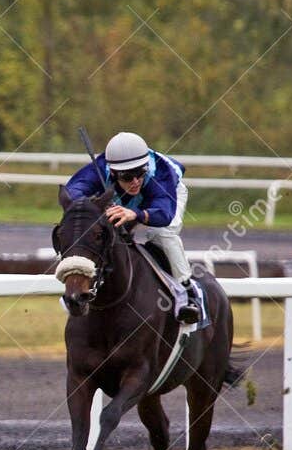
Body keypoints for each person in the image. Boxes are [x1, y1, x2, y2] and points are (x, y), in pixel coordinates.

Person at [63, 131, 201, 325]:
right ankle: (80, 287)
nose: (136, 181)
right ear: (112, 172)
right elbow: (72, 193)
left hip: (167, 197)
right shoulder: (99, 169)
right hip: (120, 200)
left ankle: (187, 292)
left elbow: (164, 214)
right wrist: (96, 205)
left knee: (162, 233)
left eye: (140, 173)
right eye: (128, 176)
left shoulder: (161, 172)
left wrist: (136, 214)